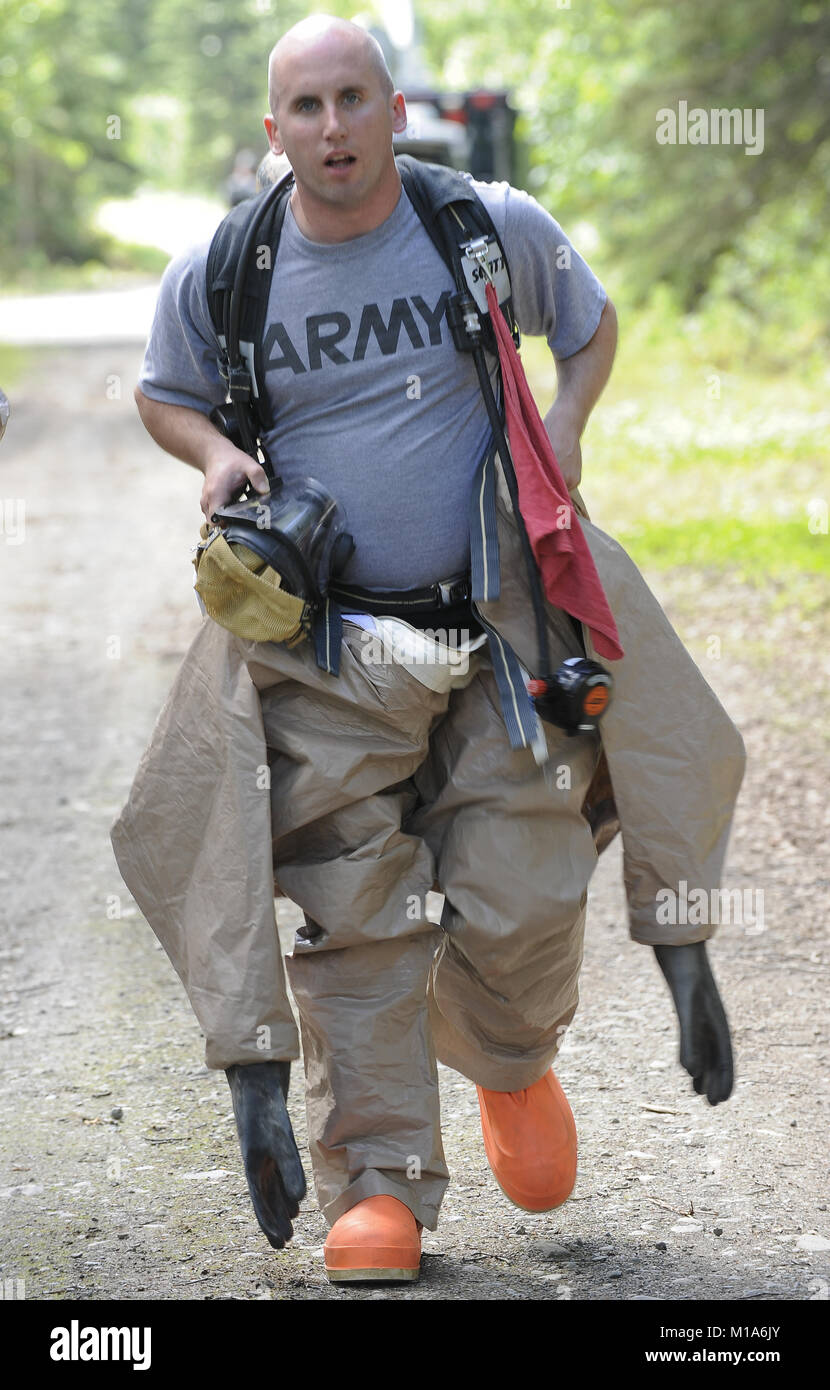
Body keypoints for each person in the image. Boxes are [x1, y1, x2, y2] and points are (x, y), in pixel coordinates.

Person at [115, 14, 744, 1285]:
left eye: (354, 99)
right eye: (306, 108)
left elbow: (592, 317)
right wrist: (214, 454)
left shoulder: (483, 226)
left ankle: (510, 1062)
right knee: (354, 918)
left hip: (497, 624)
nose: (332, 128)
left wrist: (566, 419)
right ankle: (382, 1186)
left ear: (394, 112)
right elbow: (163, 391)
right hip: (329, 646)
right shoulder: (226, 268)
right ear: (276, 128)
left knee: (524, 892)